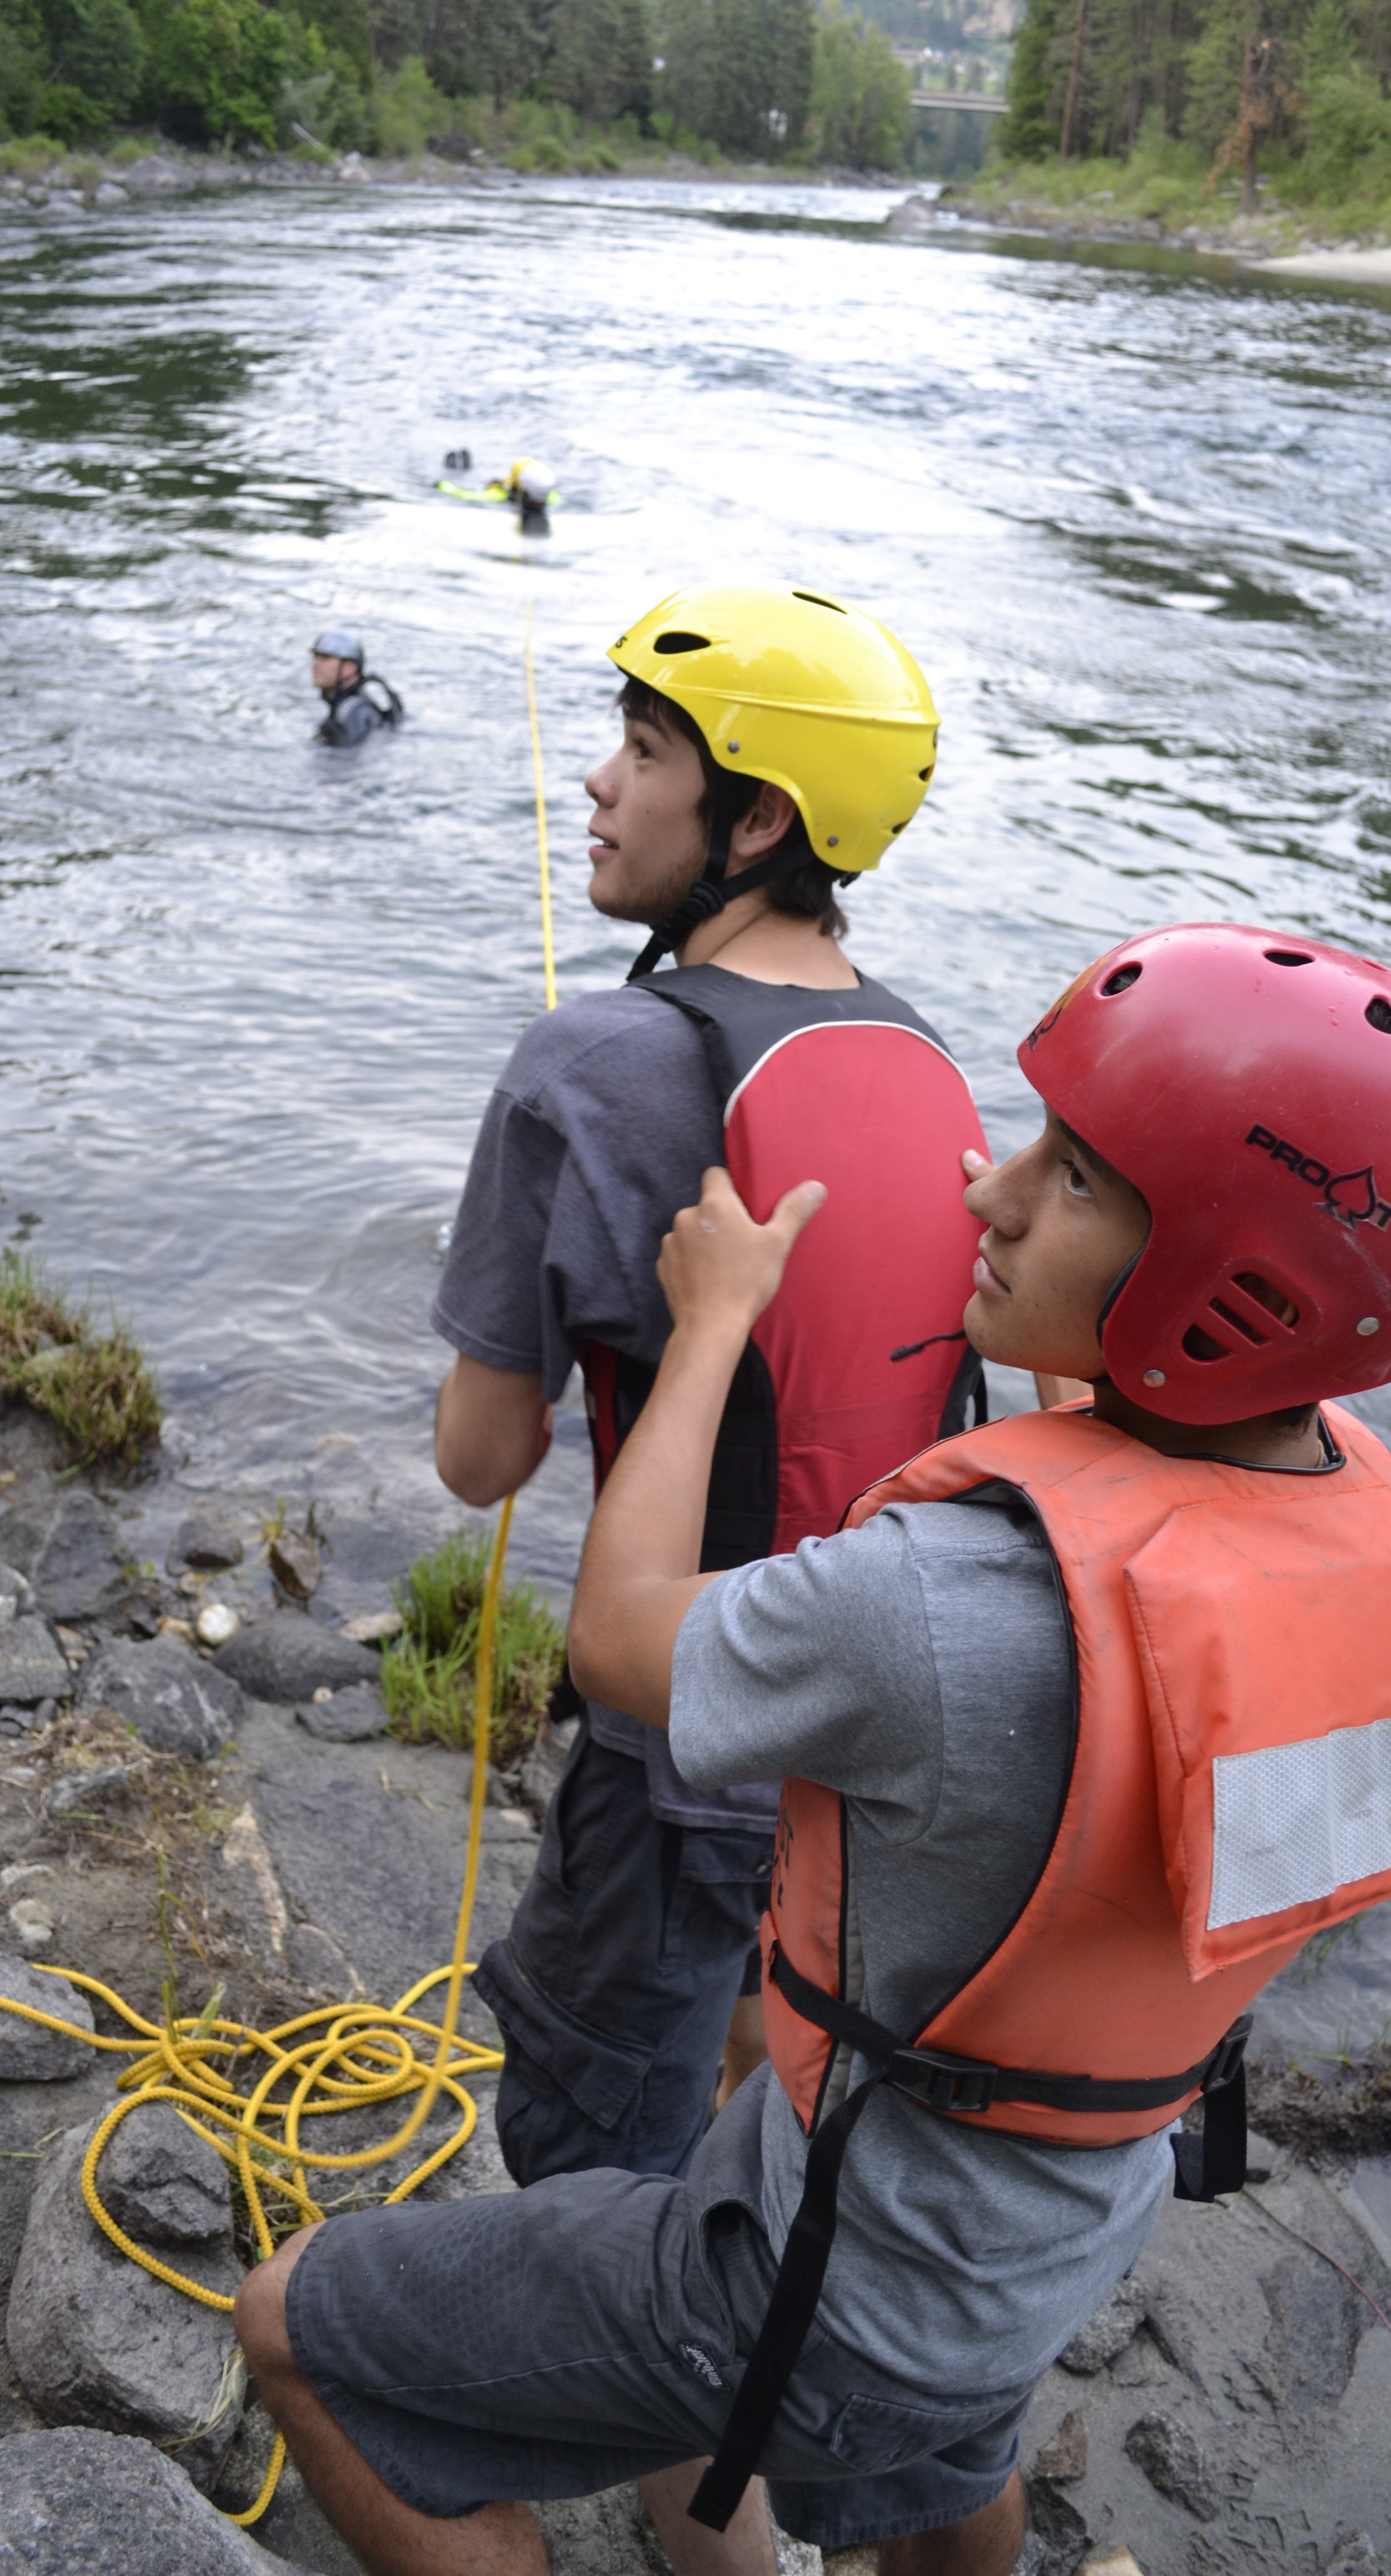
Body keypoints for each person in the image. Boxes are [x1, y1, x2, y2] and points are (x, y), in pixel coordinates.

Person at [235, 921, 1391, 2576]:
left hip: (820, 2280)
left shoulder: (933, 1603)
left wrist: (714, 1319)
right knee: (941, 2454)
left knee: (298, 2329)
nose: (990, 1191)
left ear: (1231, 1289)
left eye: (1070, 1177)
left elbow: (618, 1633)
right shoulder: (1371, 1529)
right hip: (1056, 2242)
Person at [436, 581, 992, 2195]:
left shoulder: (588, 1061)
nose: (599, 779)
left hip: (677, 1741)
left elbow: (481, 1457)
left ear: (755, 819)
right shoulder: (922, 1056)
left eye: (644, 749)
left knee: (585, 2168)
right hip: (876, 1731)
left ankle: (640, 2336)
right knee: (773, 2097)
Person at [312, 631, 403, 745]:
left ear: (350, 668)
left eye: (326, 658)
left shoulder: (355, 711)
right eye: (316, 657)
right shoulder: (360, 699)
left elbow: (357, 753)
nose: (316, 664)